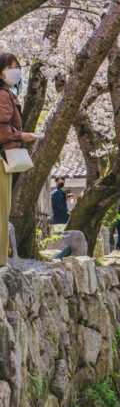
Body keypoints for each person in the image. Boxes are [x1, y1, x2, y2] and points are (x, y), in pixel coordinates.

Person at [0, 53, 37, 267]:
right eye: (10, 66)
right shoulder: (3, 95)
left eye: (17, 66)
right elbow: (2, 129)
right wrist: (20, 135)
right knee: (3, 208)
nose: (15, 70)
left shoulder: (7, 94)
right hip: (3, 156)